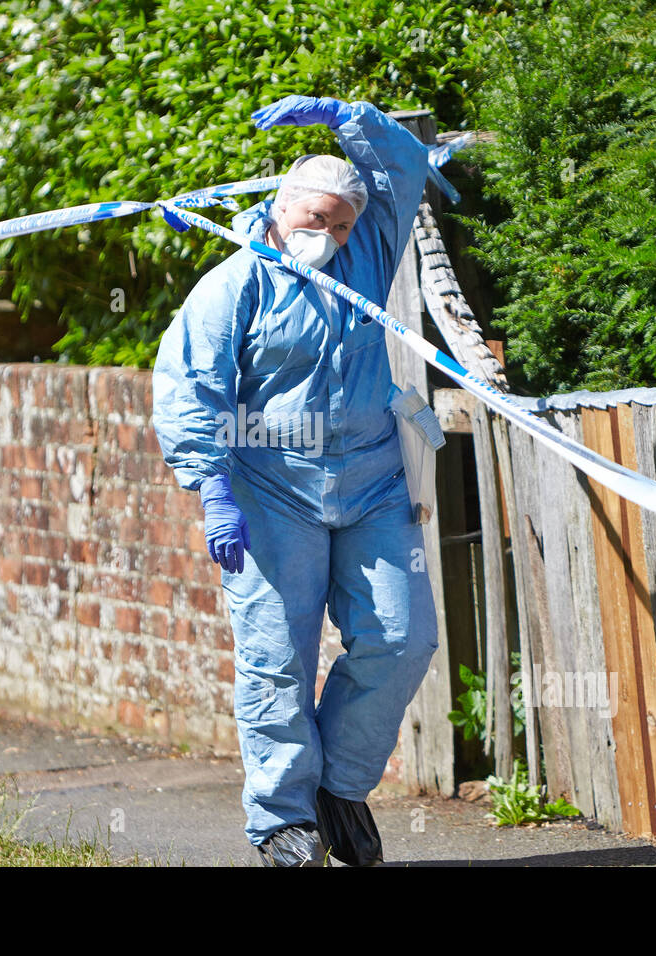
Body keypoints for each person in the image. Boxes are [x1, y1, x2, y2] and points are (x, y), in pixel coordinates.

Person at [150, 94, 439, 866]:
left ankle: (338, 787)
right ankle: (281, 818)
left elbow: (405, 167)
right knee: (277, 655)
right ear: (277, 212)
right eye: (315, 220)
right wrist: (212, 487)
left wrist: (349, 118)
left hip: (372, 479)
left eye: (341, 223)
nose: (330, 236)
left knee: (403, 638)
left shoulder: (368, 256)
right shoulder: (231, 286)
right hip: (271, 488)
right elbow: (190, 386)